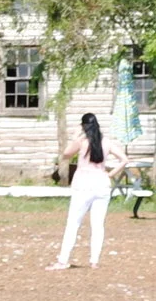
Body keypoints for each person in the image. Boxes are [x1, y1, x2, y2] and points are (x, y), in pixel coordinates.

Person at [48, 112, 126, 270]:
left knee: (73, 224)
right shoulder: (106, 142)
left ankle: (63, 260)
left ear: (84, 126)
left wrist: (75, 136)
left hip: (83, 185)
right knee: (98, 225)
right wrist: (109, 174)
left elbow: (66, 154)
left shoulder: (82, 142)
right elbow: (124, 159)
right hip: (102, 185)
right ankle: (94, 260)